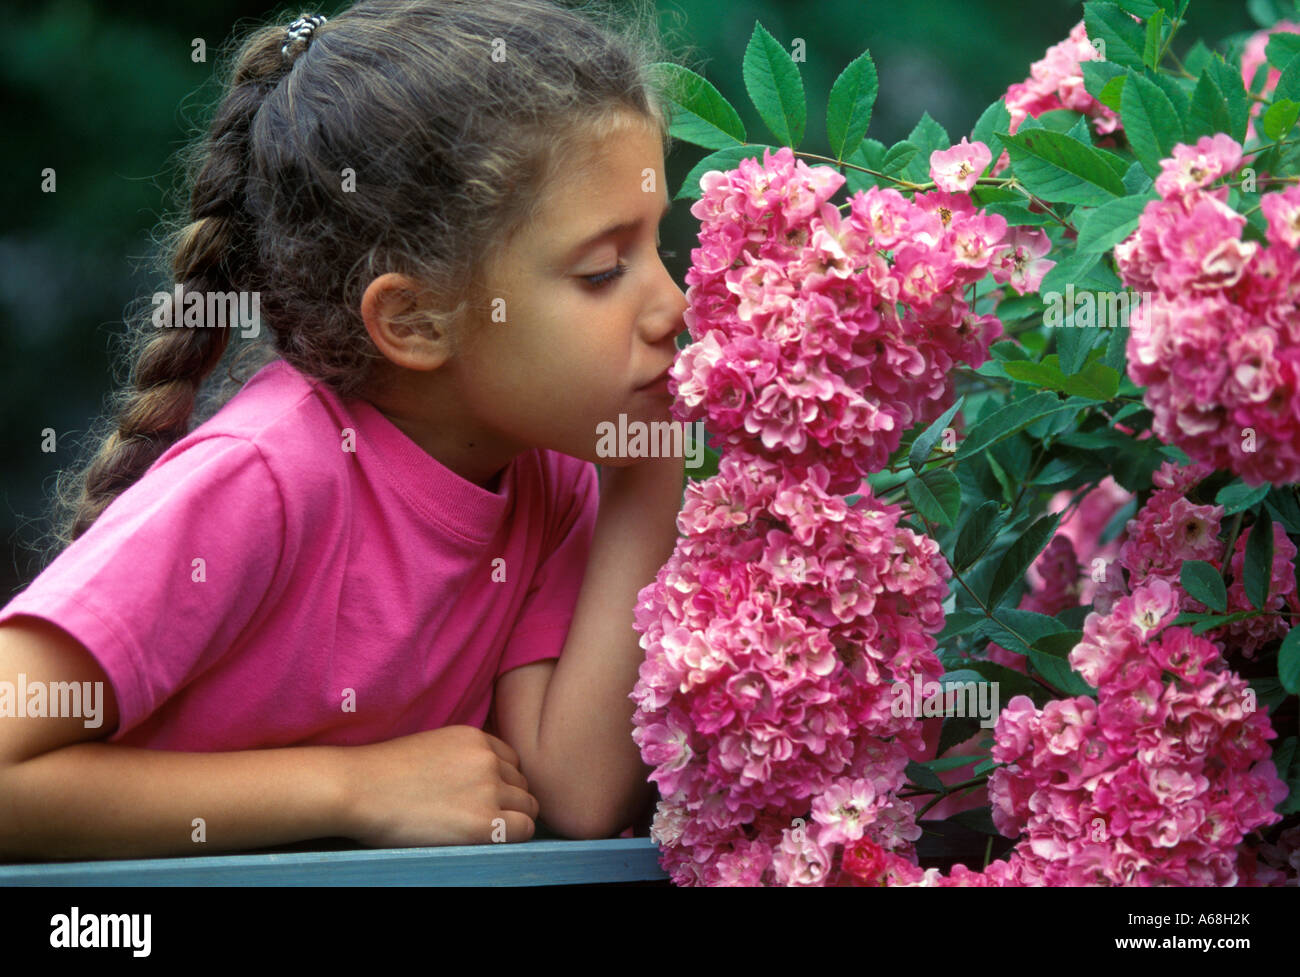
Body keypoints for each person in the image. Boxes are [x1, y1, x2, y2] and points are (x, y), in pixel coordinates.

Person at [0, 0, 686, 860]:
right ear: (415, 322)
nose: (674, 305)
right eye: (602, 270)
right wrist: (354, 785)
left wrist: (656, 459)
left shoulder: (547, 473)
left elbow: (574, 792)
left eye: (660, 244)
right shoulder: (263, 477)